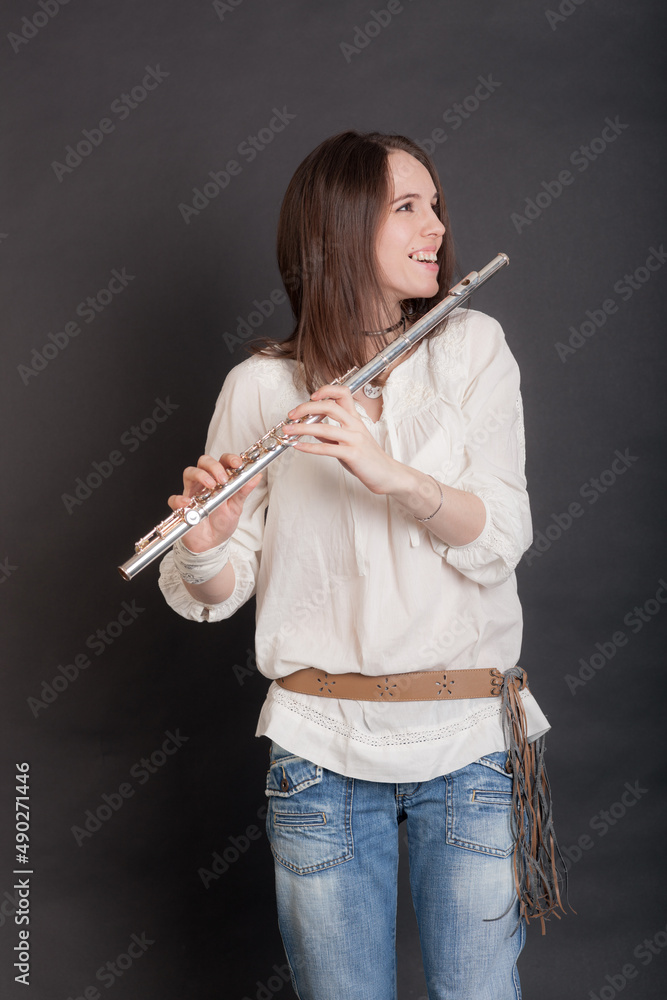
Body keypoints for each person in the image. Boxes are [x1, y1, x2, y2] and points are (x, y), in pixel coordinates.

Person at [158, 131, 564, 1000]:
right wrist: (203, 544)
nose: (437, 228)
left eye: (435, 204)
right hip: (318, 748)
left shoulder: (472, 349)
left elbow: (500, 538)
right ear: (339, 231)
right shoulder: (261, 388)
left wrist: (389, 472)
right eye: (407, 208)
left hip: (468, 744)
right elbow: (217, 594)